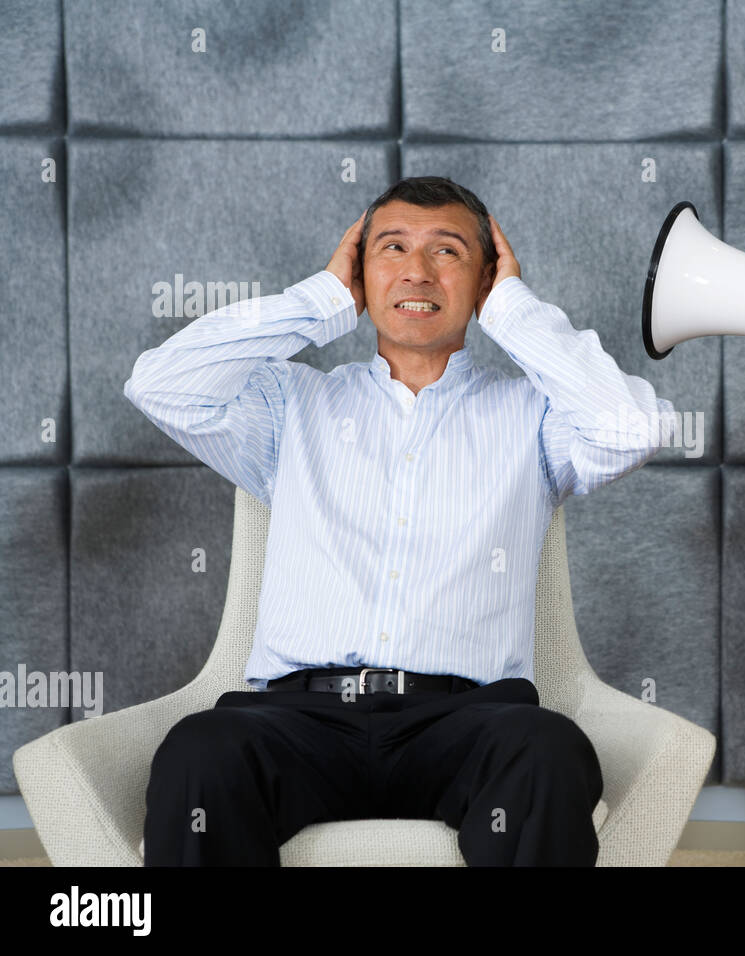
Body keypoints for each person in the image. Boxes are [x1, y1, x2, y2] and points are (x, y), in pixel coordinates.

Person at [124, 176, 675, 865]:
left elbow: (633, 428)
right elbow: (158, 384)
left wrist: (515, 311)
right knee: (199, 753)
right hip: (297, 719)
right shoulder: (291, 405)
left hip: (471, 723)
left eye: (447, 252)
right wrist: (318, 302)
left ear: (484, 282)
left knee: (547, 751)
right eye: (392, 248)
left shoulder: (534, 416)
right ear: (360, 273)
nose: (417, 270)